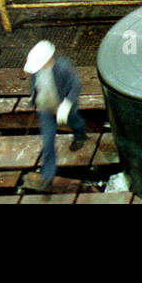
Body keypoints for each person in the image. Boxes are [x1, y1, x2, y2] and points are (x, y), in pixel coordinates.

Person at [22, 40, 86, 191]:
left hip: (63, 106)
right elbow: (34, 86)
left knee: (75, 122)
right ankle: (47, 177)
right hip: (46, 109)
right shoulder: (36, 71)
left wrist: (67, 104)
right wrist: (34, 99)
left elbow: (76, 85)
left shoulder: (63, 68)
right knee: (48, 142)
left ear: (48, 59)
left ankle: (80, 136)